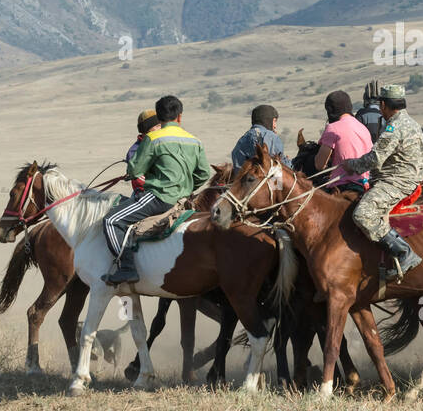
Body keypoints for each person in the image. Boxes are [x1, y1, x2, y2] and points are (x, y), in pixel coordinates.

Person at [103, 95, 210, 285]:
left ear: (159, 118)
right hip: (184, 199)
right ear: (179, 117)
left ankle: (127, 268)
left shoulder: (152, 138)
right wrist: (184, 187)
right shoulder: (195, 141)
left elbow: (135, 170)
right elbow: (203, 174)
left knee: (111, 220)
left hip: (158, 198)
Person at [340, 84, 423, 281]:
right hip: (403, 178)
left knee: (362, 214)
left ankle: (404, 252)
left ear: (384, 105)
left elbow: (375, 159)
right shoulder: (411, 122)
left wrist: (350, 165)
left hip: (396, 182)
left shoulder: (394, 127)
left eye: (381, 105)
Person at [313, 90, 373, 192]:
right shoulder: (363, 128)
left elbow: (319, 165)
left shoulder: (332, 128)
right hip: (364, 185)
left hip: (341, 186)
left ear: (330, 110)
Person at [231, 104, 293, 170]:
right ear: (268, 120)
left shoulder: (242, 140)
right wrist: (289, 162)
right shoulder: (270, 136)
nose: (275, 126)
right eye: (274, 121)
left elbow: (238, 168)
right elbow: (279, 165)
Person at [125, 109, 161, 195]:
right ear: (146, 130)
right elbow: (139, 180)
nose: (160, 128)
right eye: (157, 126)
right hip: (146, 194)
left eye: (161, 125)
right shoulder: (134, 151)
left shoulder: (164, 143)